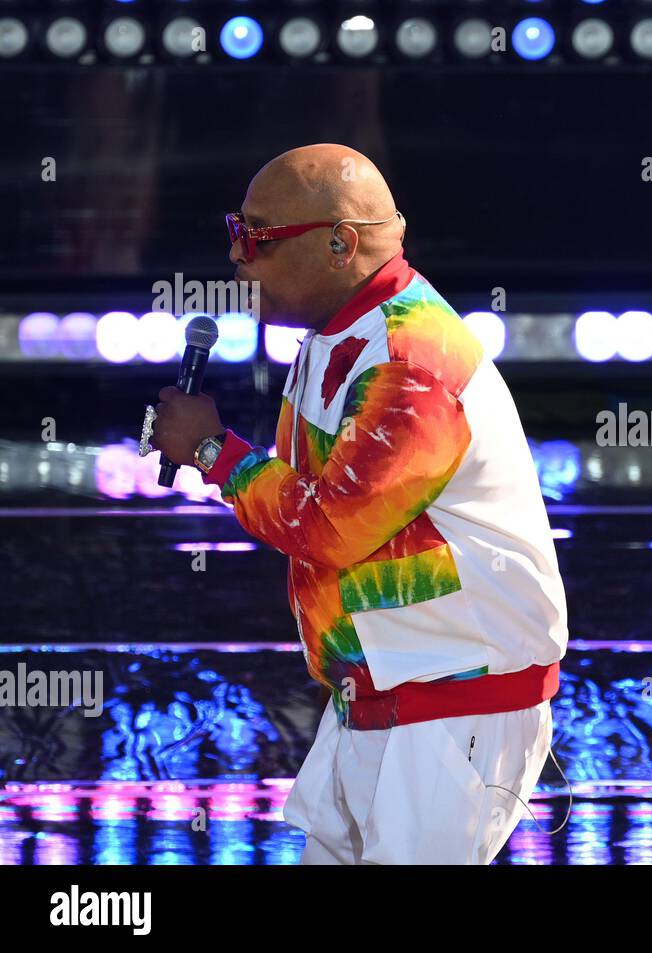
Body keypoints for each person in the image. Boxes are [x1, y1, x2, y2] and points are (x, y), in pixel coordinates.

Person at [147, 144, 568, 864]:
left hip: (453, 703)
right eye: (235, 231)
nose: (238, 256)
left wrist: (215, 451)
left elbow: (328, 525)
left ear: (341, 243)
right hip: (387, 692)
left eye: (259, 237)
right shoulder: (337, 334)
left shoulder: (411, 357)